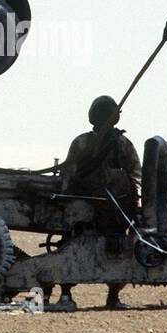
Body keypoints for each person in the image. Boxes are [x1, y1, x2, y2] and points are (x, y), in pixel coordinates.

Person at [53, 95, 142, 310]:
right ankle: (66, 294)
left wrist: (133, 202)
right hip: (84, 208)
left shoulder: (121, 144)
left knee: (118, 248)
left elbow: (135, 176)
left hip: (115, 209)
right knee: (70, 247)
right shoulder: (83, 143)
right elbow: (69, 174)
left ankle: (112, 297)